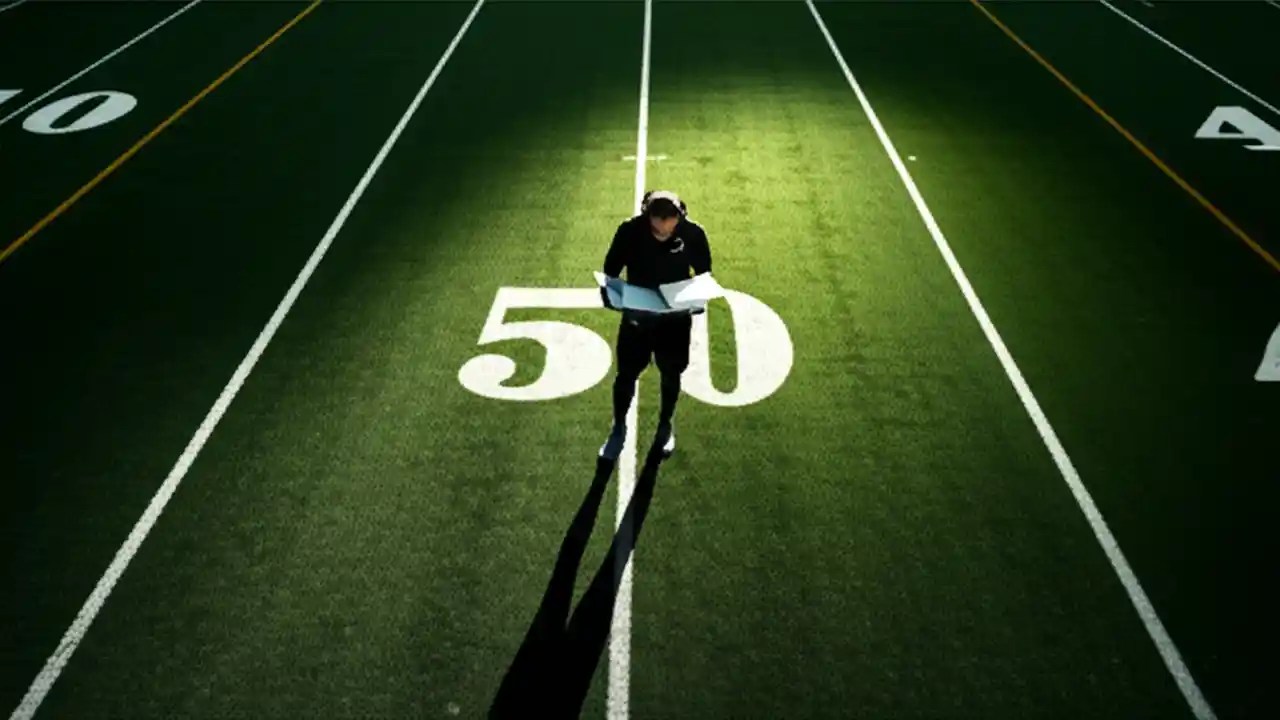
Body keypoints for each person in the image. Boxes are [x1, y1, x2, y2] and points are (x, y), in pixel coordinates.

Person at [597, 190, 712, 460]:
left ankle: (665, 425)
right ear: (647, 217)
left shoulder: (693, 233)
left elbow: (704, 273)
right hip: (638, 314)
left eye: (668, 229)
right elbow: (610, 270)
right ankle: (618, 426)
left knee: (671, 374)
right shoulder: (629, 231)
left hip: (674, 318)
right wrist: (612, 296)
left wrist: (695, 298)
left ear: (678, 218)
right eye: (656, 229)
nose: (661, 233)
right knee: (626, 374)